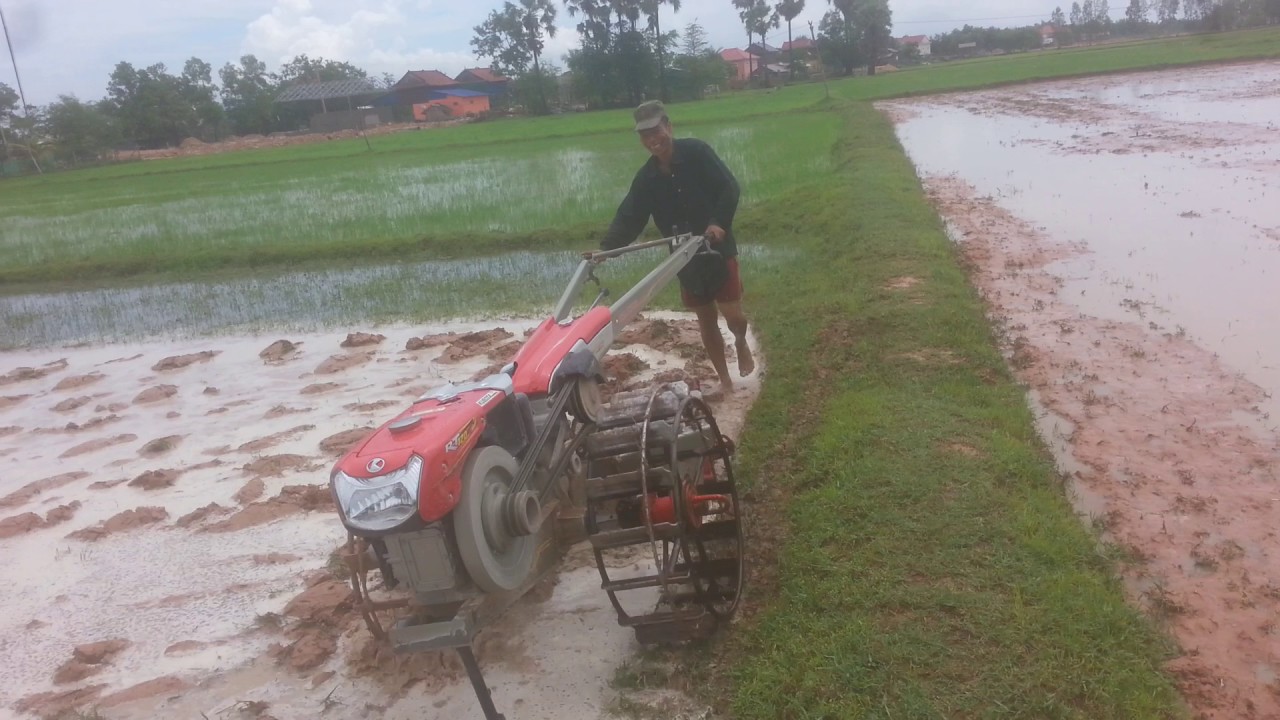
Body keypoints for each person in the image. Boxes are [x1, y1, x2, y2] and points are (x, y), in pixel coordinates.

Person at [599, 100, 755, 396]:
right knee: (705, 319)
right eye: (645, 135)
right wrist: (606, 249)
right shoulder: (647, 178)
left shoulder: (698, 153)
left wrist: (718, 223)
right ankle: (725, 380)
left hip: (716, 247)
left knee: (733, 314)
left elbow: (729, 188)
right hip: (684, 257)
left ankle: (740, 340)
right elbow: (630, 216)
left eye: (656, 131)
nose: (652, 139)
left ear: (668, 126)